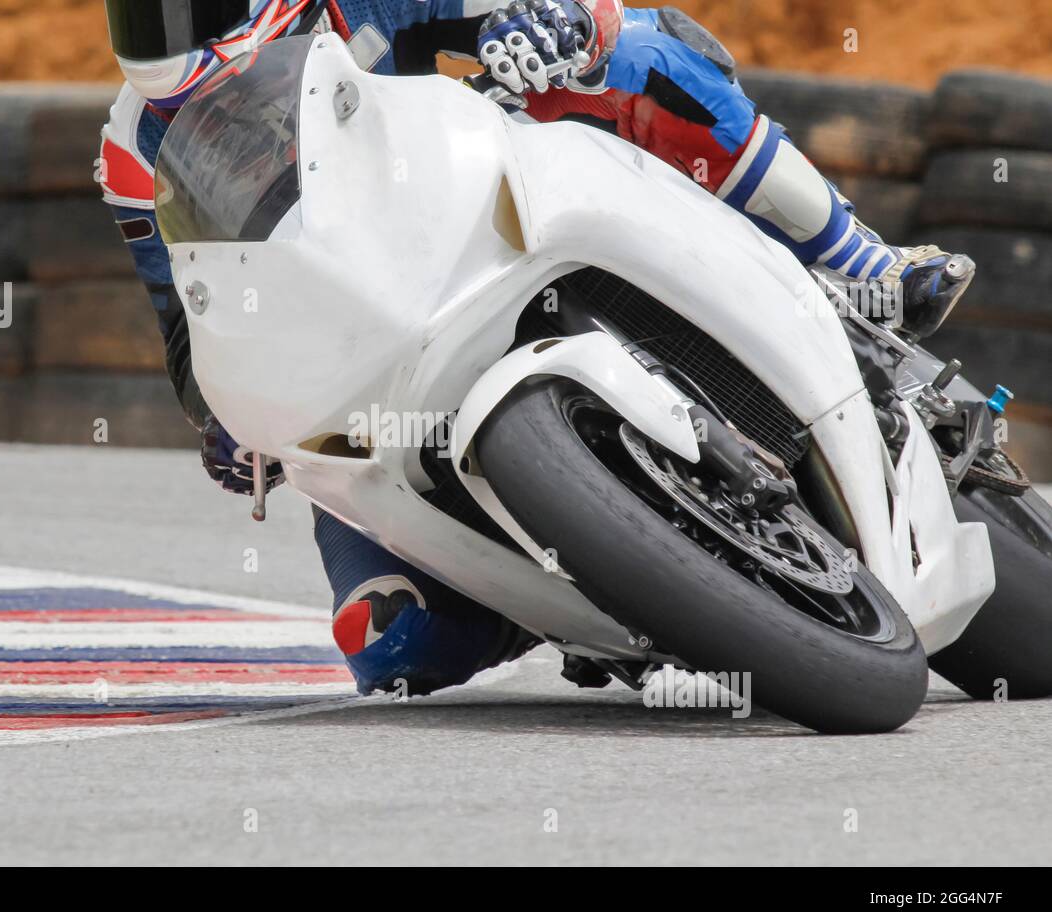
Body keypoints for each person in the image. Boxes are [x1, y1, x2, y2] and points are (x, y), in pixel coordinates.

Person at [98, 0, 973, 695]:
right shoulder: (133, 148)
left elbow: (561, 9)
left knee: (635, 52)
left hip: (490, 203)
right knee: (388, 645)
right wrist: (220, 417)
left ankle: (861, 263)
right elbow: (188, 323)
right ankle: (576, 593)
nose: (160, 21)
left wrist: (561, 22)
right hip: (372, 357)